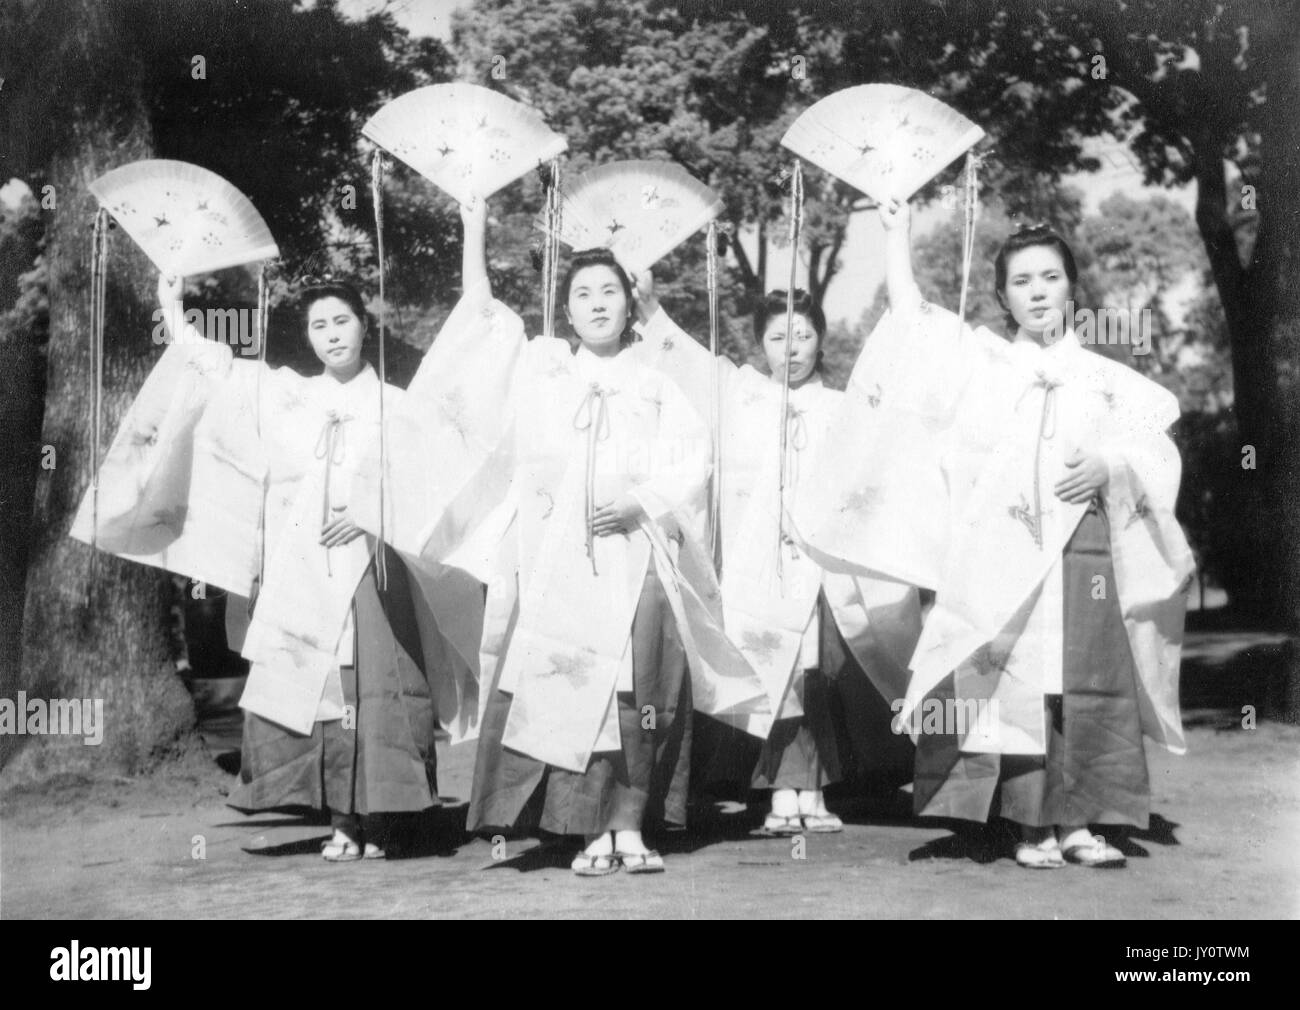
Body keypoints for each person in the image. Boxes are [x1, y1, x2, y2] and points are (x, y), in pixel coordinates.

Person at [351, 200, 766, 876]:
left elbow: (694, 457)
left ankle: (630, 824)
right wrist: (476, 225)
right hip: (560, 568)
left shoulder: (656, 385)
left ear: (631, 305)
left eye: (610, 291)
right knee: (578, 685)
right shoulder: (543, 374)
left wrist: (640, 501)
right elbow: (481, 320)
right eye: (582, 293)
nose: (597, 303)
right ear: (565, 310)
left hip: (639, 560)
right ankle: (584, 827)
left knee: (639, 691)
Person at [796, 203, 1194, 868]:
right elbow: (914, 323)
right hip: (1000, 554)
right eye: (1021, 281)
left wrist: (1109, 464)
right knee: (1013, 684)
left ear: (1072, 286)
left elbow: (1155, 448)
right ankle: (1030, 822)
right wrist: (896, 236)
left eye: (1050, 277)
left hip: (1081, 551)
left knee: (1083, 681)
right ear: (1003, 295)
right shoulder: (982, 364)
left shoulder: (1102, 377)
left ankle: (1080, 819)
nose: (1037, 291)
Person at [71, 272, 480, 861]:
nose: (332, 334)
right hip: (306, 568)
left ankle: (385, 814)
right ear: (308, 337)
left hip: (375, 565)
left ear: (365, 325)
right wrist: (170, 303)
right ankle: (341, 818)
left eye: (342, 320)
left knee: (378, 684)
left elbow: (433, 483)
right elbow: (216, 375)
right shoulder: (291, 396)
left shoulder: (397, 406)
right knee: (318, 689)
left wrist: (371, 515)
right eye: (319, 325)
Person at [629, 281, 920, 835]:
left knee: (817, 674)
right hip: (757, 561)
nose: (791, 347)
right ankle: (780, 789)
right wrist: (653, 312)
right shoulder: (738, 393)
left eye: (804, 334)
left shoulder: (841, 406)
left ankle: (811, 787)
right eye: (778, 335)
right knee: (771, 669)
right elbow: (689, 364)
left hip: (821, 564)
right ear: (759, 342)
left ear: (821, 340)